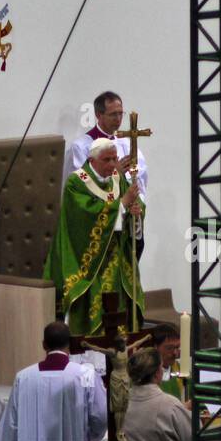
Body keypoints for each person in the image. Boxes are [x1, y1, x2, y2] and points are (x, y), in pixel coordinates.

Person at [45, 138, 145, 335]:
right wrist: (123, 204)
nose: (112, 165)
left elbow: (132, 210)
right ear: (92, 161)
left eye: (114, 159)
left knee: (122, 311)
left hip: (118, 257)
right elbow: (84, 220)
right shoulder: (76, 182)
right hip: (87, 261)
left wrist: (136, 213)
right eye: (107, 160)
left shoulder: (118, 178)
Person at [63, 90, 150, 199]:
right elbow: (77, 186)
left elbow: (141, 178)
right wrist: (114, 174)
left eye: (120, 113)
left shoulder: (126, 144)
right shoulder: (81, 147)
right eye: (113, 114)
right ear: (98, 115)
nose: (118, 119)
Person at [151, 322, 189, 403]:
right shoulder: (145, 375)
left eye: (177, 347)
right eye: (170, 348)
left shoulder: (181, 369)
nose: (175, 353)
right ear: (155, 347)